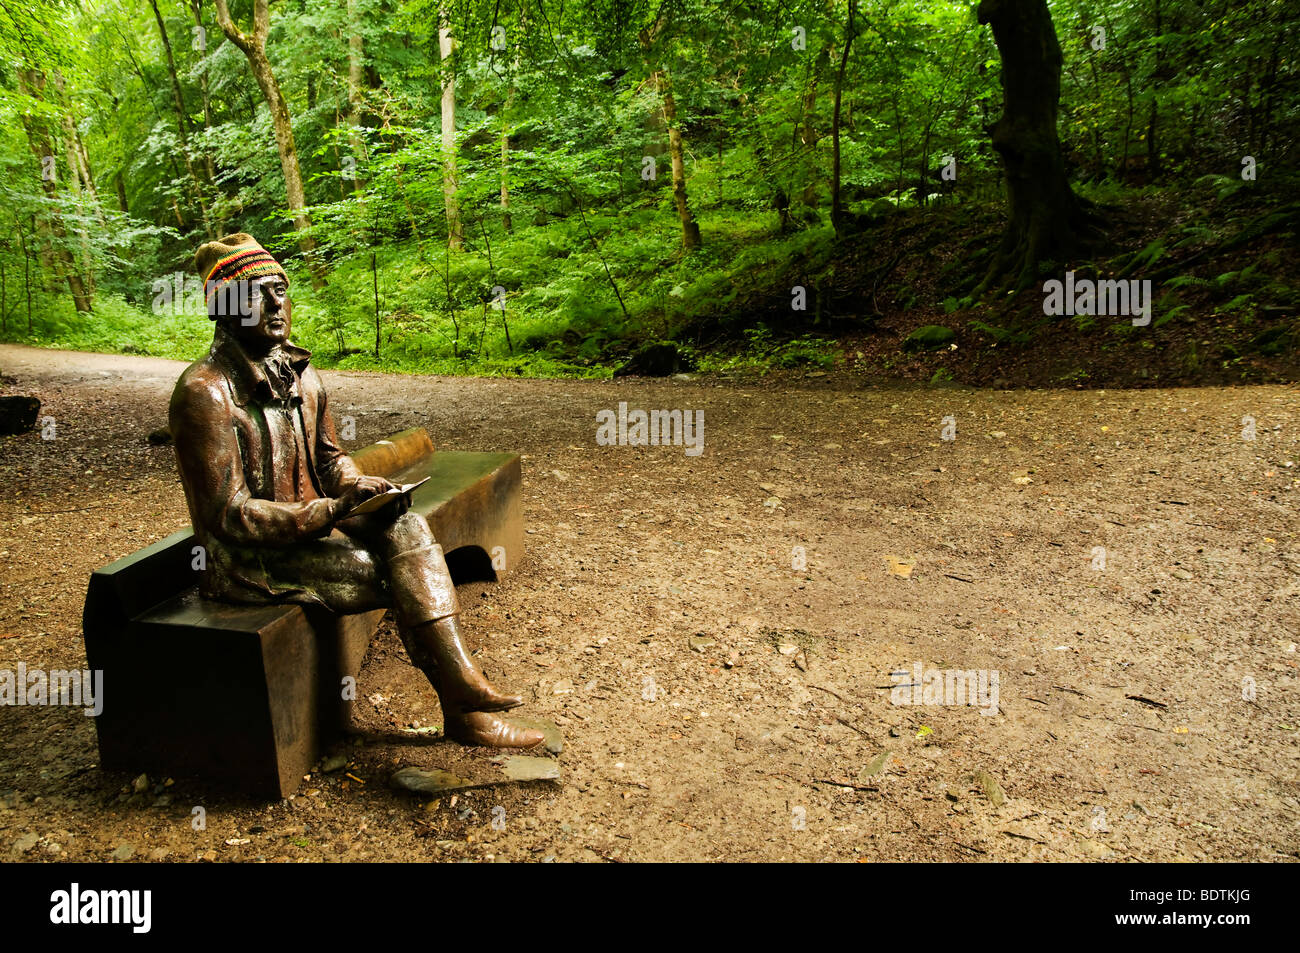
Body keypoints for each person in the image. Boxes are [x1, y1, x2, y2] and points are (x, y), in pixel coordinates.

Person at [169, 233, 543, 748]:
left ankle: (463, 692)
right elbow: (228, 518)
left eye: (282, 289)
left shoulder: (303, 376)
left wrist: (356, 484)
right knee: (384, 570)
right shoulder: (203, 393)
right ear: (224, 308)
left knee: (407, 523)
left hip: (312, 529)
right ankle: (465, 704)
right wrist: (327, 513)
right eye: (258, 292)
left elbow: (329, 460)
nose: (278, 305)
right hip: (250, 559)